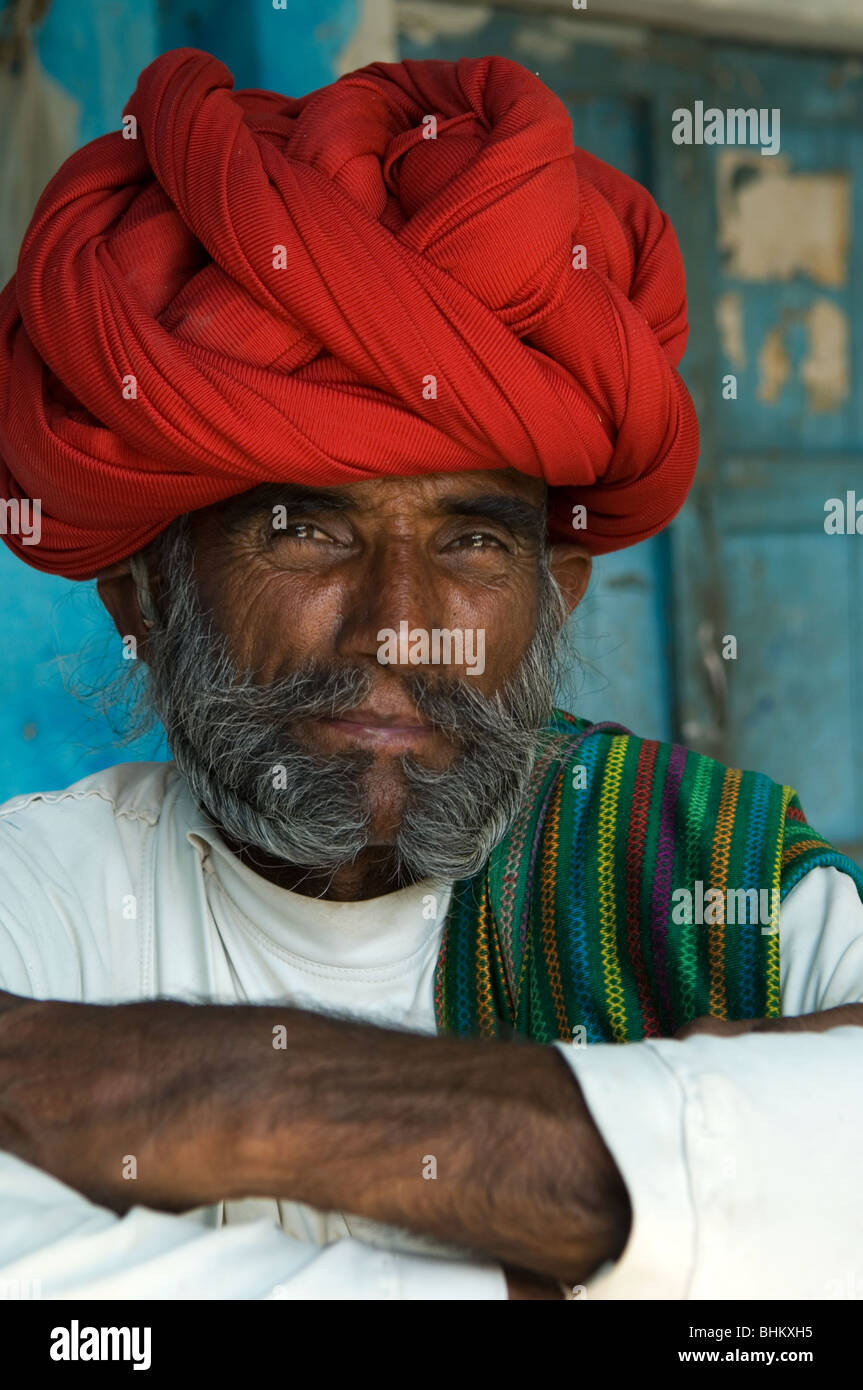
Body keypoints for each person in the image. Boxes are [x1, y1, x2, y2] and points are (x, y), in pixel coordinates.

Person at [0, 48, 860, 1302]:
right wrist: (674, 1207)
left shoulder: (702, 876)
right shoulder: (40, 902)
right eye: (306, 529)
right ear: (144, 598)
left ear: (552, 595)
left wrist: (233, 1092)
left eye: (471, 539)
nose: (400, 629)